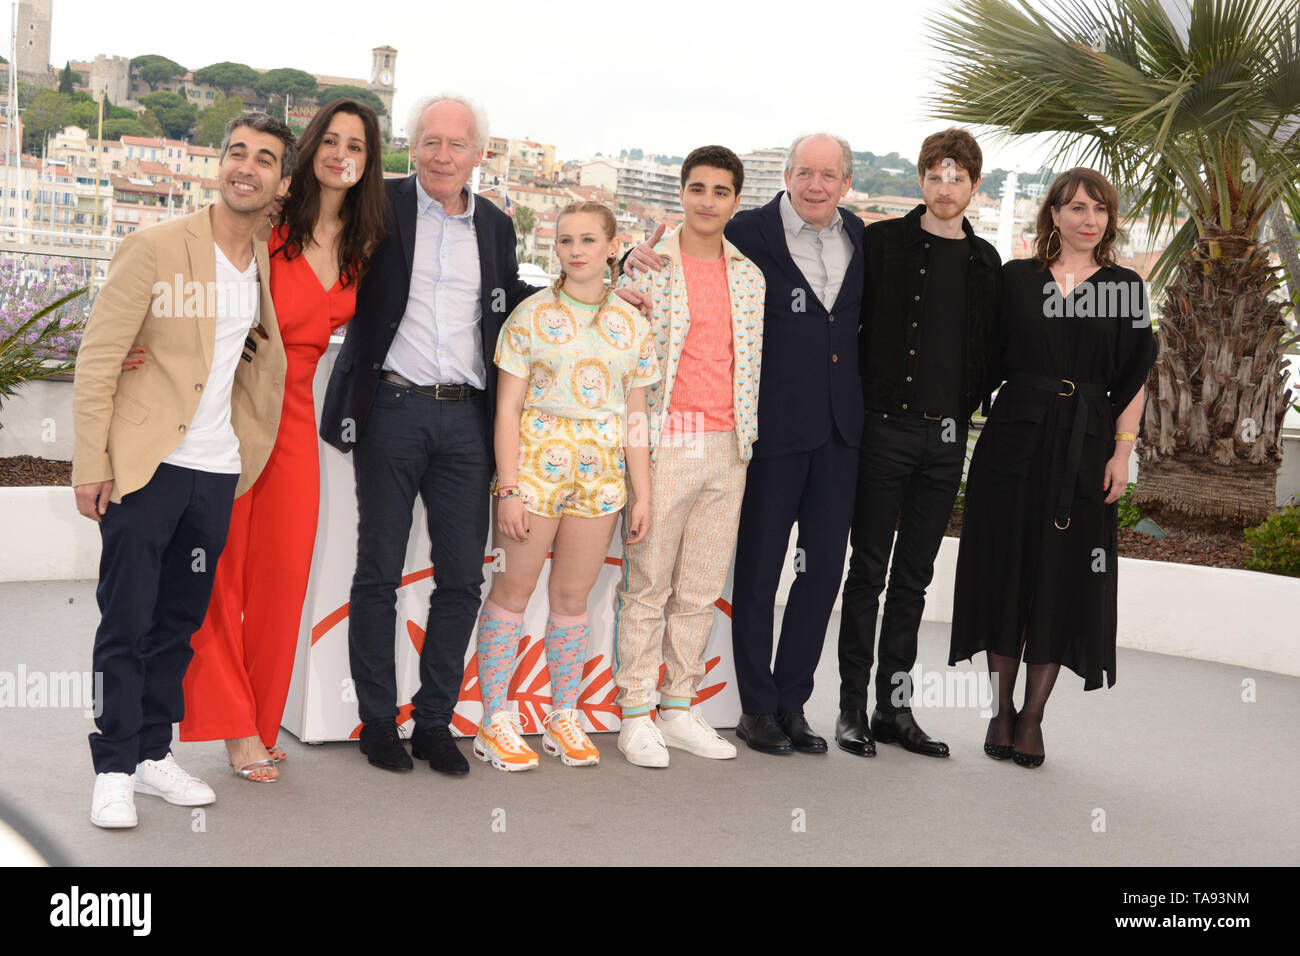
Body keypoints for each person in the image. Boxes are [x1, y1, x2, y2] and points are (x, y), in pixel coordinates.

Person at [71, 113, 294, 827]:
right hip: (149, 465)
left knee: (178, 625)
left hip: (216, 471)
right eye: (236, 153)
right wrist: (91, 462)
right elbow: (100, 356)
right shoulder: (157, 246)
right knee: (125, 622)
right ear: (218, 165)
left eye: (264, 159)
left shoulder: (262, 262)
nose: (246, 167)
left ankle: (150, 752)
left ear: (279, 183)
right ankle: (111, 764)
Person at [623, 133, 864, 755]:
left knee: (738, 584)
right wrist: (626, 260)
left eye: (828, 174)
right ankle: (668, 711)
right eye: (804, 172)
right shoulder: (740, 235)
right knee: (680, 582)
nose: (815, 184)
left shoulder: (841, 243)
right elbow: (631, 294)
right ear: (784, 177)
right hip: (706, 439)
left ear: (844, 182)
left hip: (759, 442)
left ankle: (748, 704)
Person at [318, 93, 535, 775]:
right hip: (391, 410)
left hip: (469, 419)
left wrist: (602, 283)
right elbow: (314, 229)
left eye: (457, 144)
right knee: (378, 571)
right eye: (430, 142)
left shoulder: (498, 226)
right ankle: (378, 722)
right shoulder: (376, 201)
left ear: (480, 154)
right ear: (413, 147)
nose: (443, 155)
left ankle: (435, 722)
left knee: (462, 578)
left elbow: (512, 295)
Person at [173, 100, 388, 781]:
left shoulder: (367, 240)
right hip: (232, 412)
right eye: (330, 139)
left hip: (296, 420)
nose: (340, 153)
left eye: (356, 144)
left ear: (368, 161)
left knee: (282, 580)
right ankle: (234, 727)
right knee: (215, 579)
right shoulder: (269, 225)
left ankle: (262, 723)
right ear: (308, 153)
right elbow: (195, 286)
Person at [949, 167, 1156, 768]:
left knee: (1060, 575)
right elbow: (979, 354)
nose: (1087, 219)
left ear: (1109, 219)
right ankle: (1000, 709)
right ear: (1055, 215)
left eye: (1098, 209)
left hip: (1087, 444)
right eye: (1075, 208)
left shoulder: (1125, 287)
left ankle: (1033, 717)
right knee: (1006, 568)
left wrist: (1122, 451)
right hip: (1013, 440)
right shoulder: (1016, 279)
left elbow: (1135, 378)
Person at [472, 201, 658, 771]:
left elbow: (635, 418)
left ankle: (563, 714)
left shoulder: (633, 326)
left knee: (573, 599)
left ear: (611, 247)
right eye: (564, 240)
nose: (575, 250)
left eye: (586, 240)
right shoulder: (529, 316)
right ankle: (495, 719)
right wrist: (508, 488)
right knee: (511, 592)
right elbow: (506, 410)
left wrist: (642, 492)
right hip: (532, 475)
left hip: (601, 481)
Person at [834, 129, 1001, 760]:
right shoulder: (880, 244)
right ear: (921, 181)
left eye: (958, 177)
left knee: (915, 579)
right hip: (884, 430)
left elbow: (993, 352)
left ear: (973, 186)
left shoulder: (987, 264)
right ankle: (851, 708)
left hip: (947, 439)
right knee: (868, 572)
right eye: (935, 174)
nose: (945, 186)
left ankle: (894, 709)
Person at [610, 146, 766, 768]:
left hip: (731, 447)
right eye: (697, 188)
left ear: (736, 200)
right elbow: (622, 354)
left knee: (700, 588)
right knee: (648, 584)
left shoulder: (750, 277)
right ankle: (634, 713)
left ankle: (678, 707)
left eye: (720, 191)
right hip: (666, 439)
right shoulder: (647, 267)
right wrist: (622, 281)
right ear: (681, 192)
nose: (707, 201)